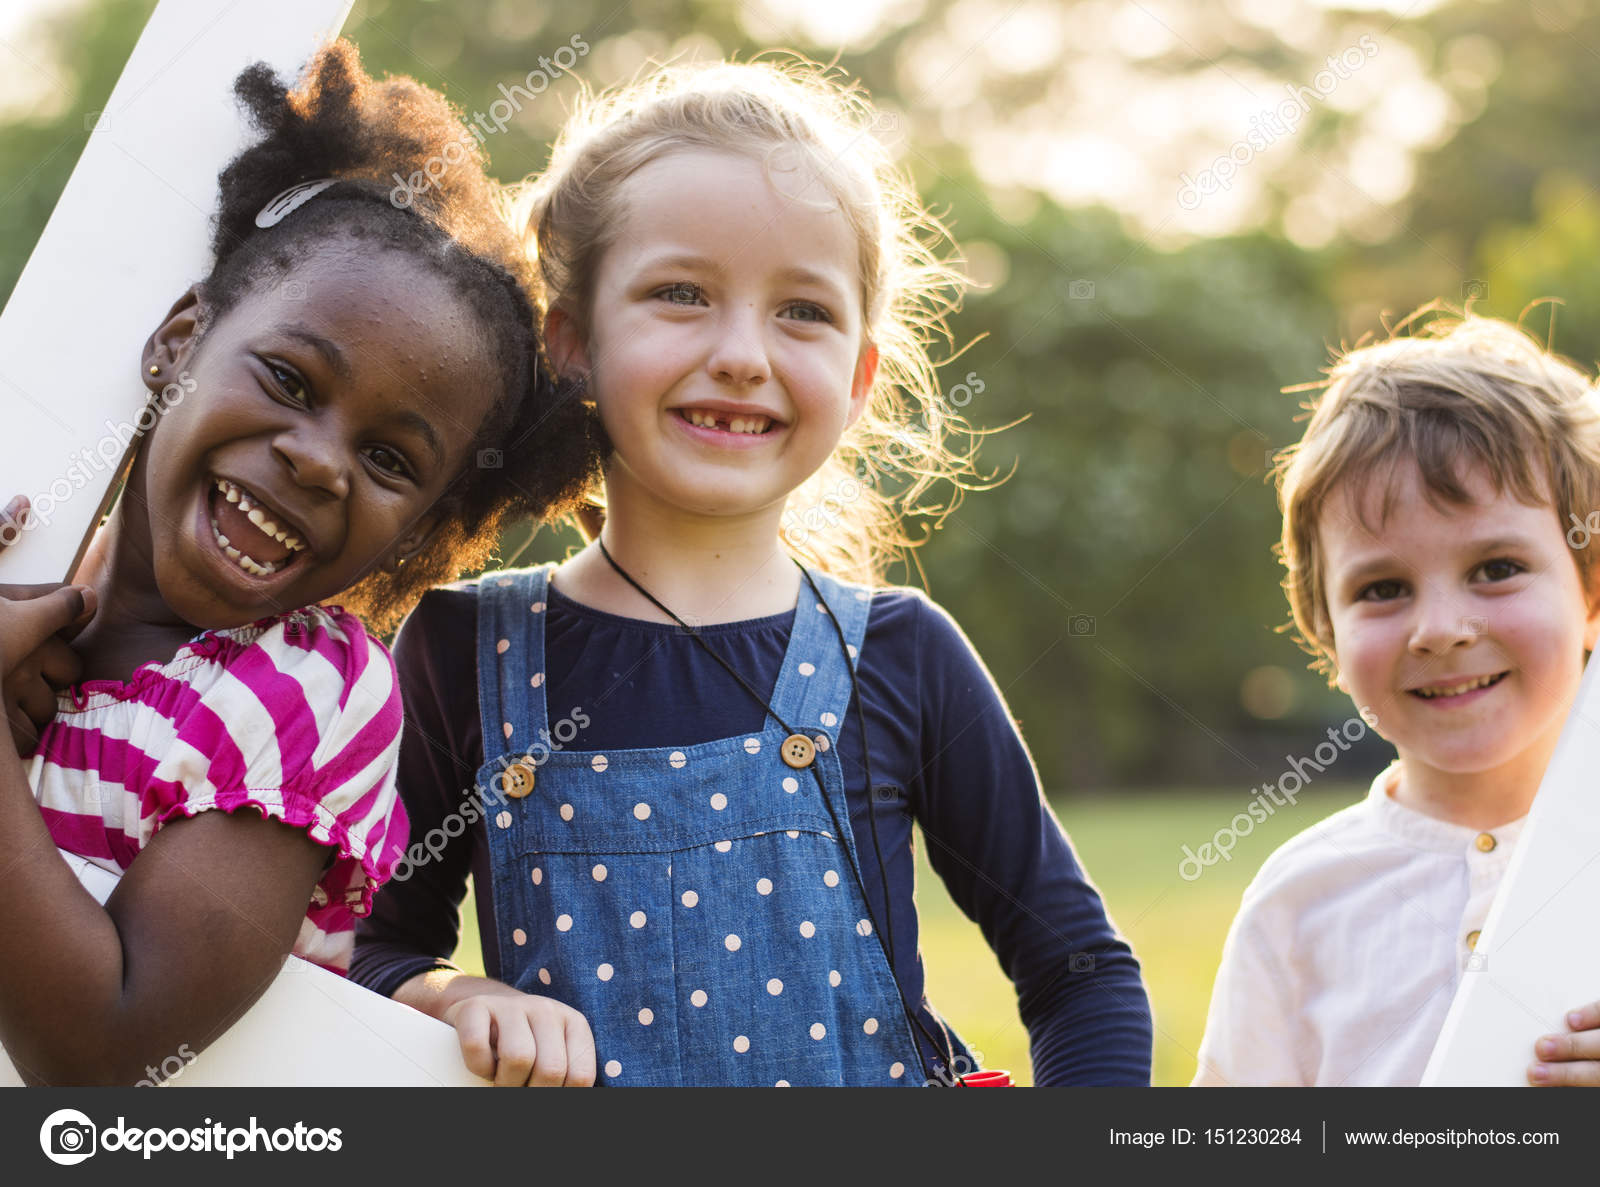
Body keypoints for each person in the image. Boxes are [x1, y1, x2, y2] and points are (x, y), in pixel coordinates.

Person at [352, 58, 1152, 1087]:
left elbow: (1079, 973)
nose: (740, 353)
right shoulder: (462, 648)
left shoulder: (903, 654)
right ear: (571, 343)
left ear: (861, 375)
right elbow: (363, 955)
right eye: (679, 293)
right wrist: (449, 992)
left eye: (803, 311)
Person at [0, 41, 599, 1086]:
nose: (318, 461)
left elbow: (99, 1050)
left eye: (387, 458)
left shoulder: (303, 694)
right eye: (286, 377)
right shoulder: (35, 569)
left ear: (418, 531)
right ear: (179, 342)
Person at [1194, 311, 1600, 1086]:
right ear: (1326, 633)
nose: (1441, 629)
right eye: (1383, 587)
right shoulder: (1299, 906)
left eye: (1496, 567)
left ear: (1592, 588)